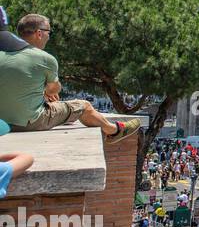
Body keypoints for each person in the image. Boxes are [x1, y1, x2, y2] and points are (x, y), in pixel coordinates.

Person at [0, 12, 140, 141]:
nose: (49, 36)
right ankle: (114, 130)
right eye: (49, 32)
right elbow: (53, 91)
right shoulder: (45, 59)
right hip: (28, 123)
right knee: (83, 106)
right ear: (39, 33)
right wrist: (47, 92)